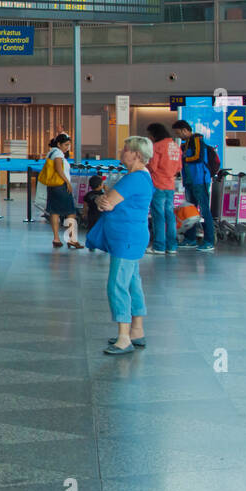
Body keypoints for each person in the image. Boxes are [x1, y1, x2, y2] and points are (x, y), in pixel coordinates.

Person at [89, 136, 155, 355]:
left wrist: (100, 199)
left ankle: (124, 337)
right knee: (132, 282)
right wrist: (103, 199)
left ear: (136, 154)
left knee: (117, 284)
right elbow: (107, 200)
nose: (122, 152)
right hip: (133, 236)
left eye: (125, 149)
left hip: (125, 237)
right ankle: (137, 330)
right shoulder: (142, 176)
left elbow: (107, 203)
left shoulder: (133, 179)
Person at [171, 119, 215, 252]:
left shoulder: (197, 140)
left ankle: (209, 241)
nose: (178, 135)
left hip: (200, 181)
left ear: (185, 130)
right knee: (190, 211)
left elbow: (198, 157)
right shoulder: (185, 145)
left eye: (179, 132)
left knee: (205, 211)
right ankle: (190, 239)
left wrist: (183, 159)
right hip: (190, 181)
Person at [145, 122, 182, 255]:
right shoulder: (175, 146)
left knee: (158, 216)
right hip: (170, 185)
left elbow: (152, 167)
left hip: (158, 184)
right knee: (170, 215)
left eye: (150, 135)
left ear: (155, 134)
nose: (149, 137)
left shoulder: (157, 147)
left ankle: (159, 246)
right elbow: (179, 168)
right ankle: (172, 246)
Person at [42, 133, 83, 249]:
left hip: (52, 186)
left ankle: (56, 238)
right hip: (61, 186)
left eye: (69, 145)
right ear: (59, 144)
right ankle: (72, 239)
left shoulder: (51, 152)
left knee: (54, 211)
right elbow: (59, 170)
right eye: (66, 145)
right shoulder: (59, 154)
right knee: (71, 212)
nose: (67, 147)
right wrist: (68, 183)